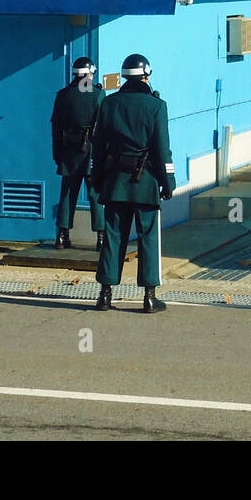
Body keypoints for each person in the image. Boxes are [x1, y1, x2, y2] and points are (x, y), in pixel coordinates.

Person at [92, 54, 175, 313]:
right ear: (146, 75)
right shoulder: (156, 106)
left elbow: (98, 146)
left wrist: (98, 179)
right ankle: (149, 296)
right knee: (148, 237)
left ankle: (105, 294)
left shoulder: (109, 103)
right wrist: (168, 181)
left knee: (114, 237)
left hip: (115, 181)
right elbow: (163, 149)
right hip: (145, 181)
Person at [50, 56, 105, 251]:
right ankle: (100, 237)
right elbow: (103, 128)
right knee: (95, 193)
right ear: (89, 74)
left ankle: (62, 236)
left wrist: (57, 154)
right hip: (90, 150)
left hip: (68, 150)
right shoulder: (97, 94)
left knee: (67, 193)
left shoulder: (63, 95)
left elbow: (55, 128)